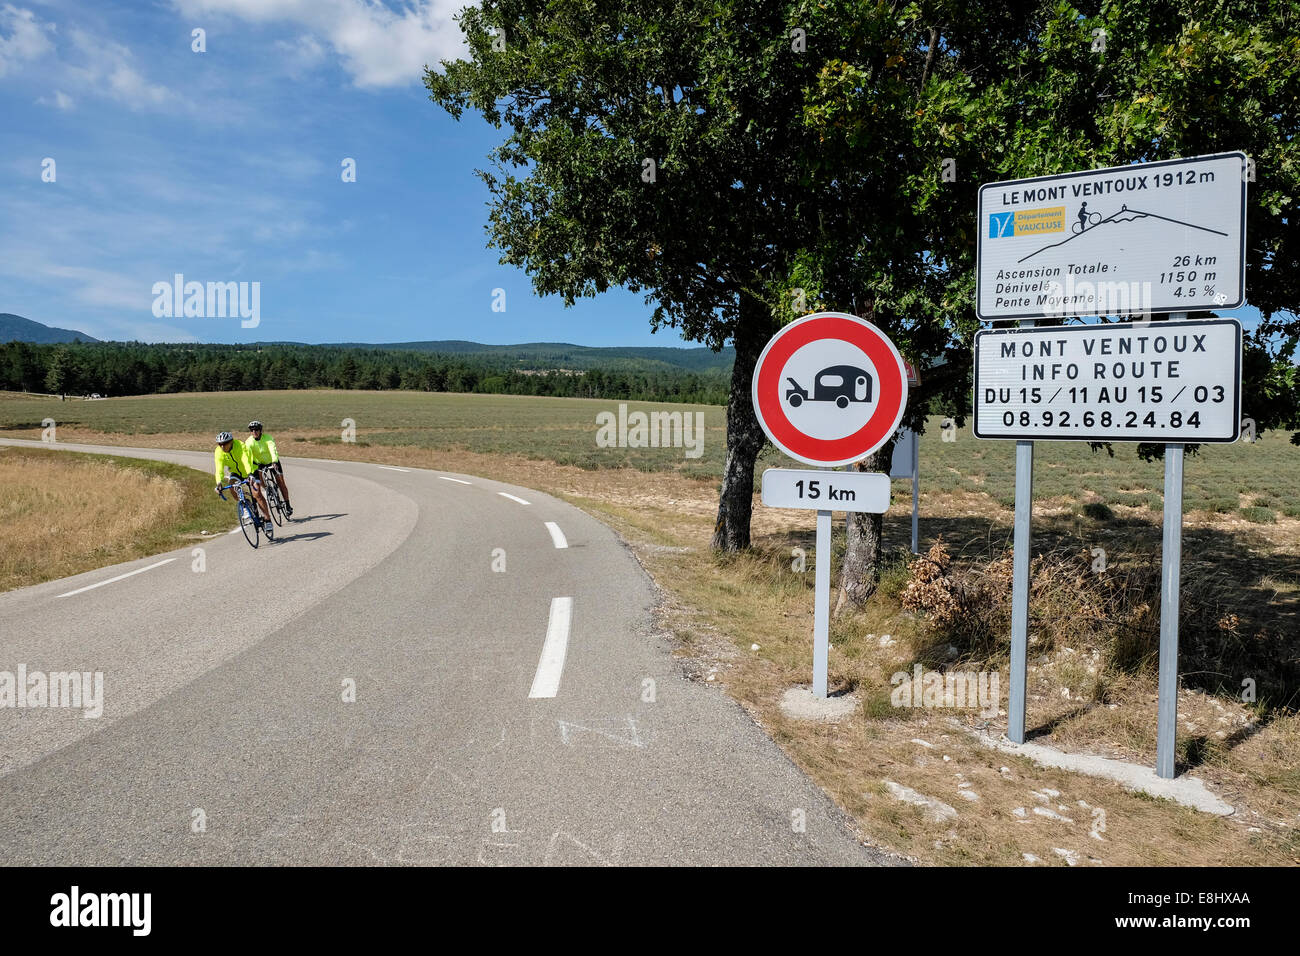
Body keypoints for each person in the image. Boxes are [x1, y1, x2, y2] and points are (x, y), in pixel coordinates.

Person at [213, 431, 273, 536]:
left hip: (251, 470)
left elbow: (246, 460)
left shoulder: (240, 445)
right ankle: (245, 504)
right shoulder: (218, 451)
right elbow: (219, 469)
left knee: (257, 494)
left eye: (225, 443)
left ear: (231, 442)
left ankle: (268, 520)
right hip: (236, 472)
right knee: (232, 486)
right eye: (220, 444)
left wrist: (250, 474)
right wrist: (218, 483)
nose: (222, 446)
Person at [245, 420, 292, 517]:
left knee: (281, 483)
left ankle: (287, 505)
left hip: (272, 461)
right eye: (252, 430)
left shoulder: (268, 438)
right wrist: (249, 471)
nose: (254, 432)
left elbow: (272, 450)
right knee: (259, 478)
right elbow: (248, 457)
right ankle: (267, 489)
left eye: (256, 429)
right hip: (259, 464)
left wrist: (274, 461)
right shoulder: (248, 442)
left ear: (260, 430)